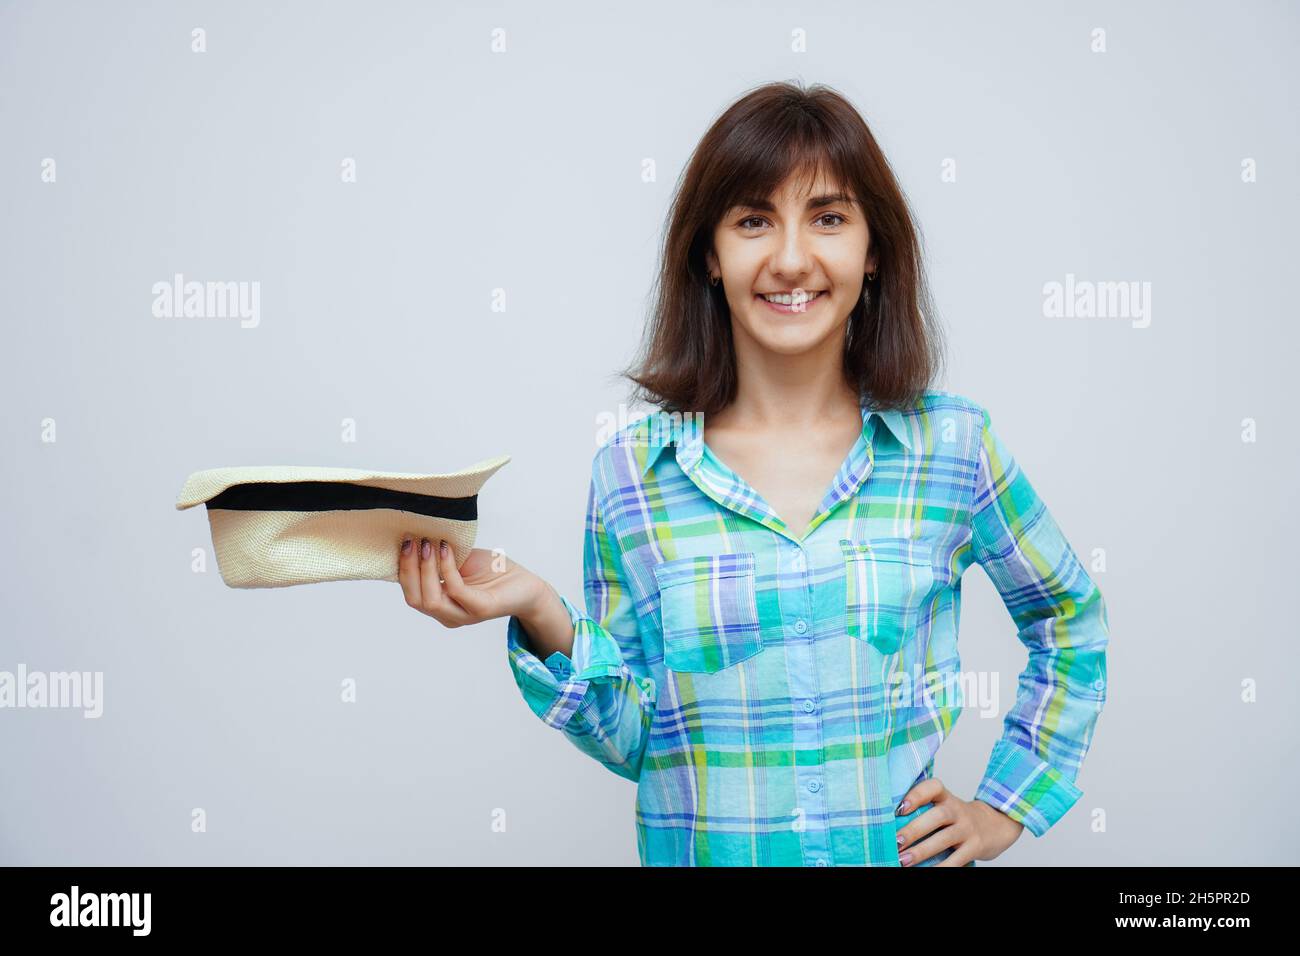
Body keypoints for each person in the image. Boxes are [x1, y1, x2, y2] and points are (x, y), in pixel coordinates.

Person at [395, 81, 1109, 867]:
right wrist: (539, 610)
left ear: (873, 253)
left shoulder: (953, 446)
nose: (792, 259)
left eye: (829, 218)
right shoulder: (634, 472)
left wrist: (1004, 808)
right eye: (753, 220)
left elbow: (1069, 620)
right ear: (711, 253)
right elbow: (637, 740)